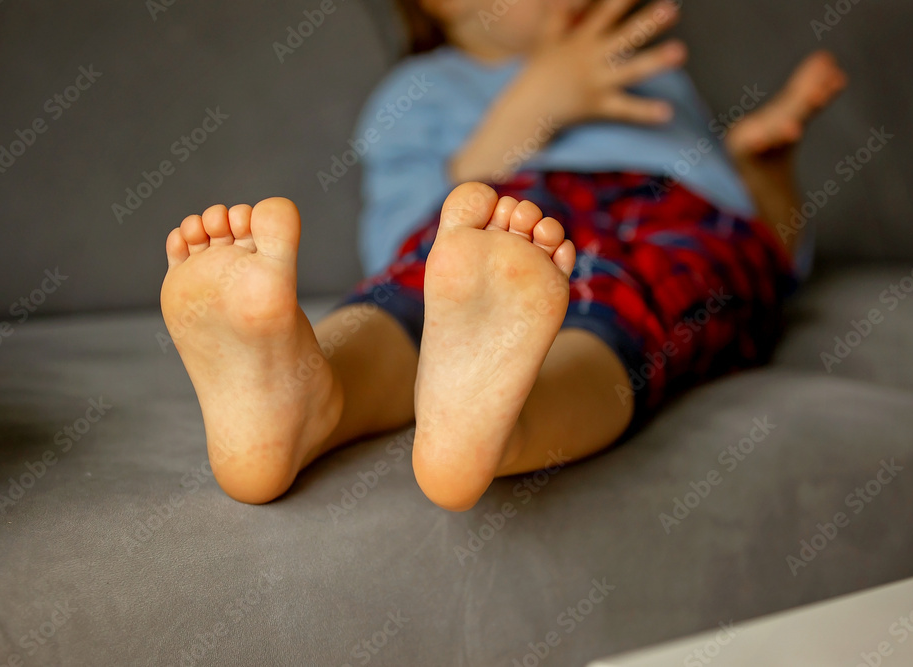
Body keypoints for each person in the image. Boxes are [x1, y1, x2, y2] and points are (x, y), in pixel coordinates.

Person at [159, 0, 846, 511]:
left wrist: (765, 170)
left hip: (670, 220)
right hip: (497, 217)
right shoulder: (417, 94)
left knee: (630, 316)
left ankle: (501, 423)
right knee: (419, 283)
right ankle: (308, 390)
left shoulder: (650, 69)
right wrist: (538, 103)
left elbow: (769, 260)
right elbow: (398, 239)